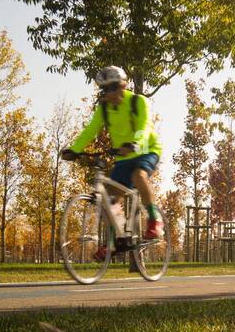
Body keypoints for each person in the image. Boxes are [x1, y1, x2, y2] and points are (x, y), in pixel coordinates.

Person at [59, 66, 163, 258]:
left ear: (123, 84)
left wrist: (134, 143)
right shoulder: (104, 109)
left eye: (113, 87)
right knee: (110, 198)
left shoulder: (138, 102)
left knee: (138, 175)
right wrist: (75, 150)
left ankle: (154, 220)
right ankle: (118, 241)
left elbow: (144, 127)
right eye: (105, 89)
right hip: (123, 157)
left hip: (146, 149)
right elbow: (90, 130)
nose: (110, 92)